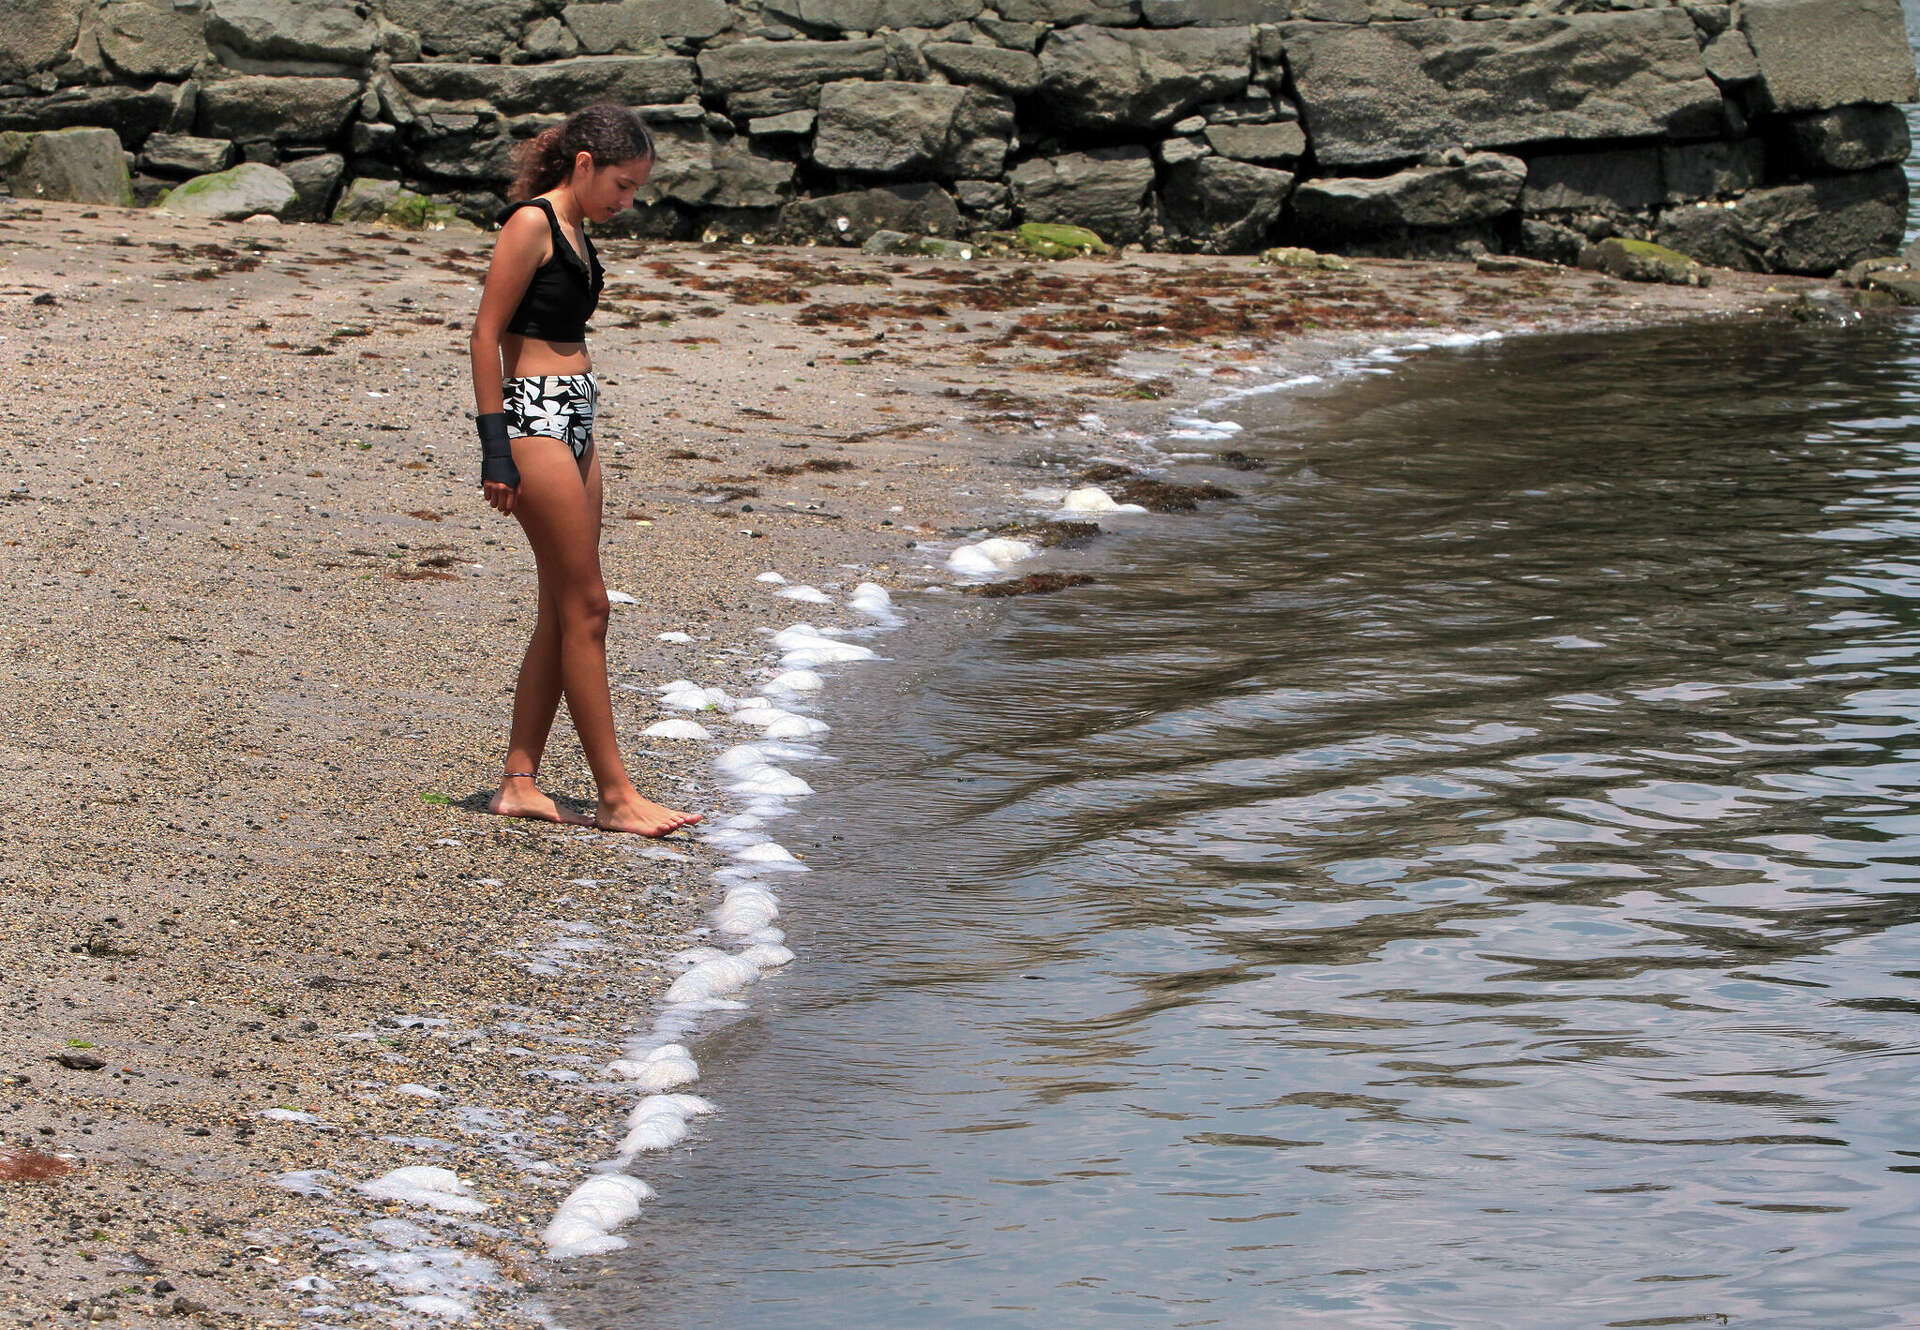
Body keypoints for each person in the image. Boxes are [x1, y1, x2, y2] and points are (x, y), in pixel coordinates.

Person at [468, 103, 699, 837]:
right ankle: (615, 795)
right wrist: (495, 447)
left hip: (577, 418)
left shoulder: (575, 229)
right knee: (591, 606)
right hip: (532, 417)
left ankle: (519, 782)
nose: (629, 202)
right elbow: (483, 336)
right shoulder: (530, 223)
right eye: (624, 187)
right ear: (585, 165)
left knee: (561, 607)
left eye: (637, 191)